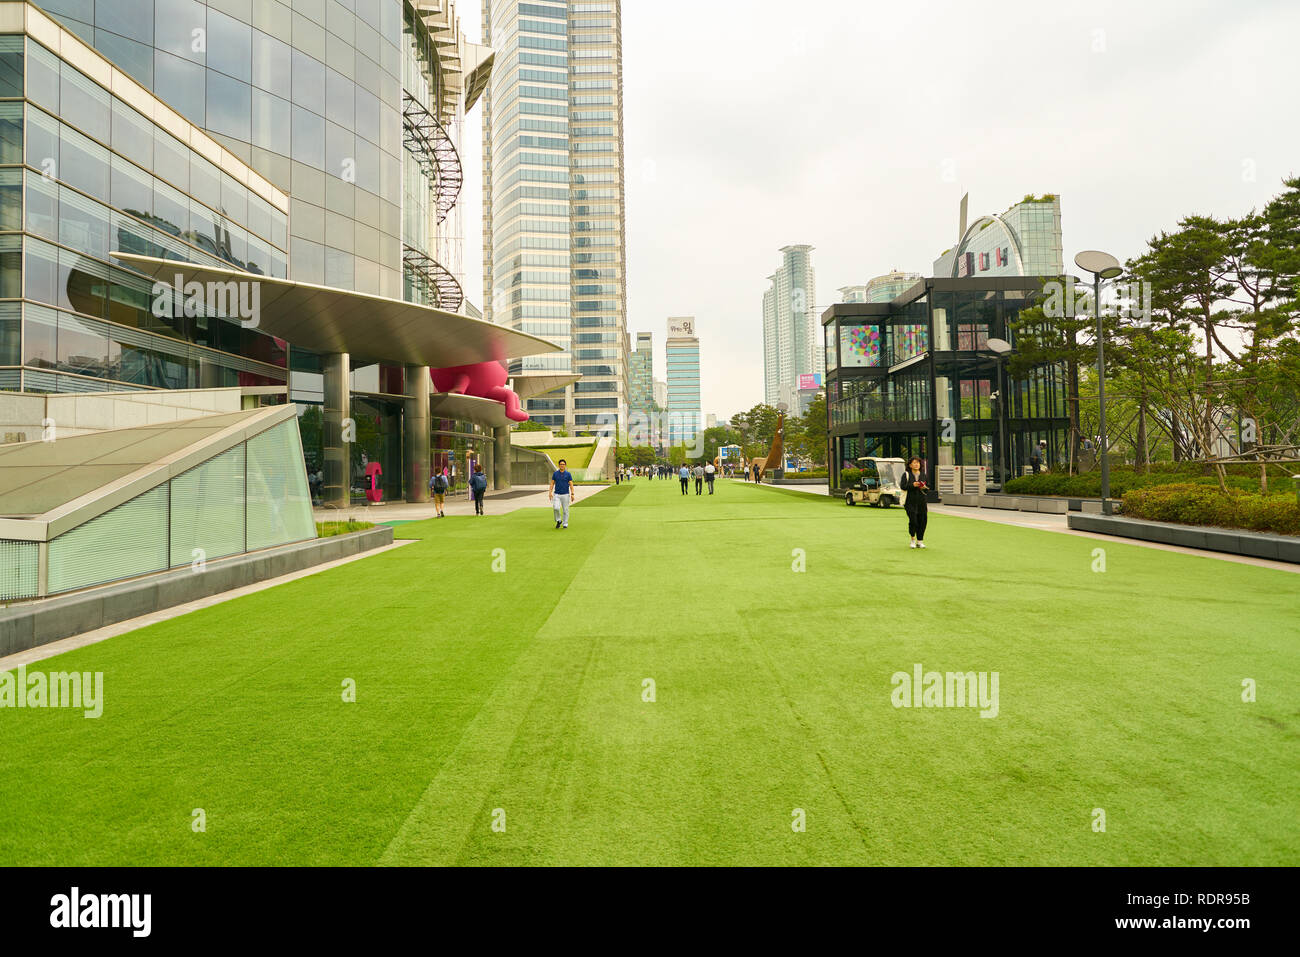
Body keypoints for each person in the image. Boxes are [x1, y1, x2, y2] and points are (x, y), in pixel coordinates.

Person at [901, 455, 929, 549]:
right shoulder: (906, 474)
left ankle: (920, 541)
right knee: (913, 521)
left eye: (918, 463)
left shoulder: (923, 474)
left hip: (922, 502)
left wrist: (924, 487)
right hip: (910, 502)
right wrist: (912, 485)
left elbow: (928, 488)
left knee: (923, 521)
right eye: (914, 463)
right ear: (910, 465)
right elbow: (903, 486)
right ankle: (912, 539)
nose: (916, 464)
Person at [549, 458, 577, 529]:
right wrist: (550, 492)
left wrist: (572, 494)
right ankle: (558, 520)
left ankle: (565, 523)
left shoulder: (568, 474)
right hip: (557, 494)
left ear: (565, 465)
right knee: (556, 508)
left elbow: (571, 484)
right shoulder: (555, 474)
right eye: (561, 464)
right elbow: (552, 483)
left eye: (563, 464)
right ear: (559, 465)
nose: (562, 465)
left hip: (565, 494)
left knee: (565, 510)